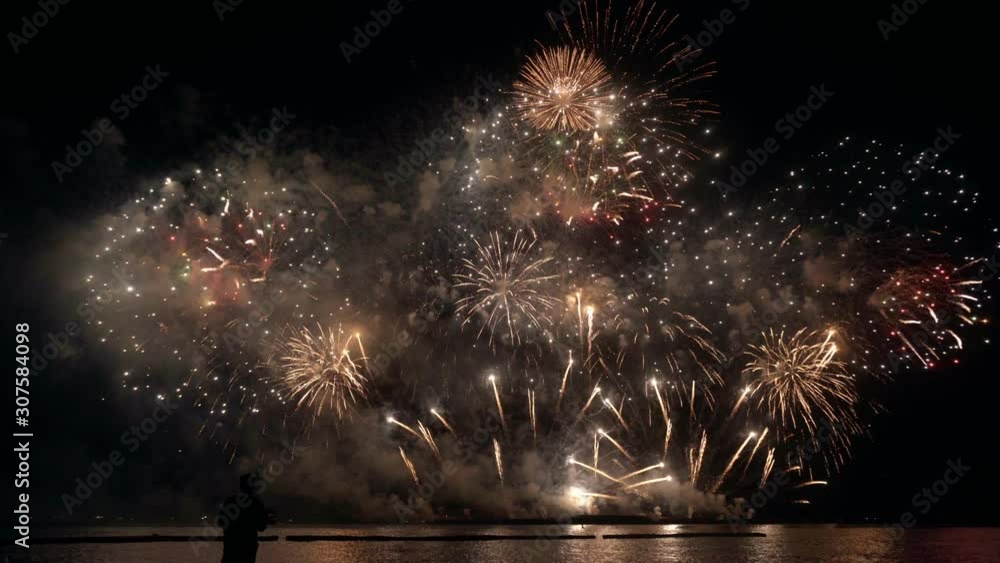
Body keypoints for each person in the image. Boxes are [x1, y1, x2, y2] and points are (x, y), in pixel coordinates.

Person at [220, 473, 276, 563]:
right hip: (248, 549)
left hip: (230, 548)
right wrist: (267, 519)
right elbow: (261, 527)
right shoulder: (256, 504)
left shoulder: (230, 501)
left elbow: (221, 521)